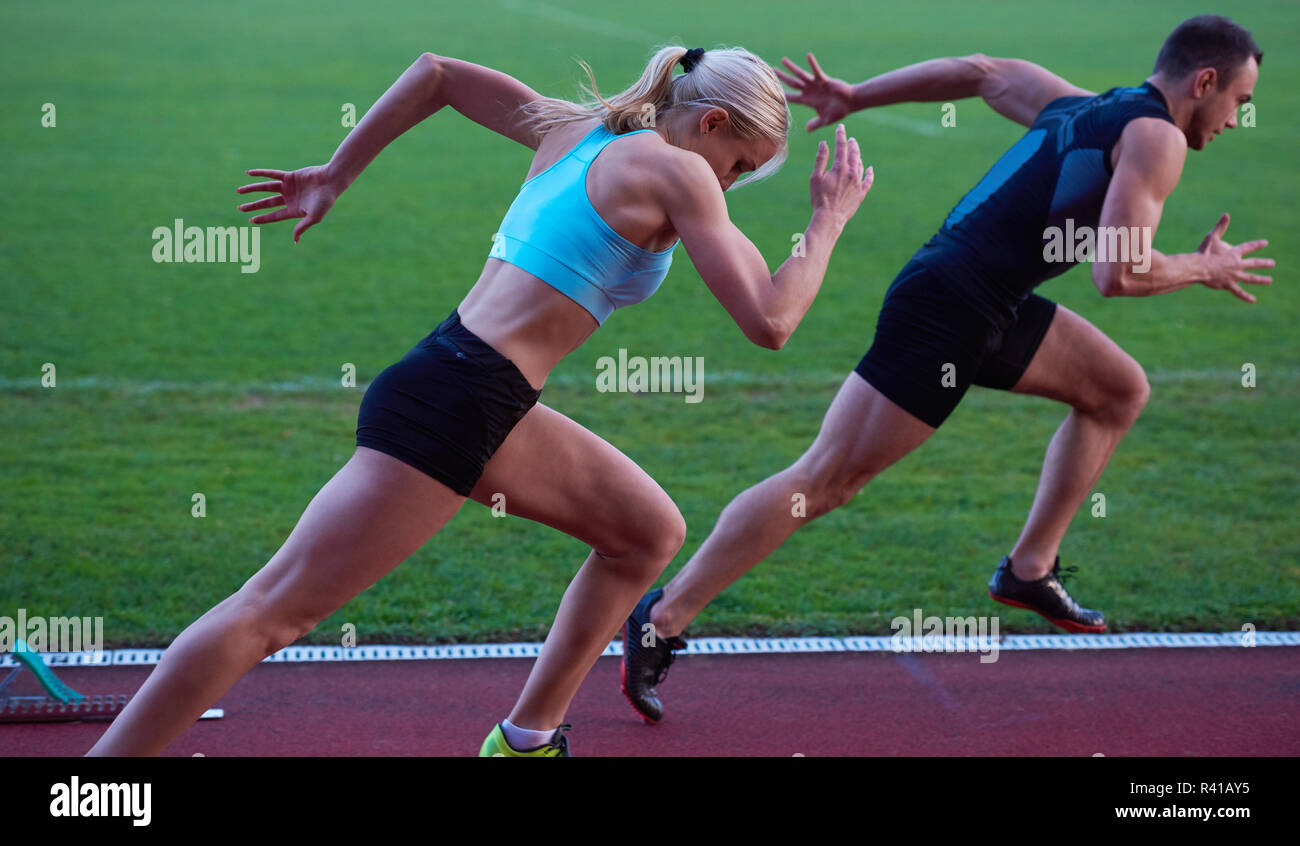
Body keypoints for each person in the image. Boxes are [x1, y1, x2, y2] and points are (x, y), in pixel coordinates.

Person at [84, 45, 872, 757]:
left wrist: (337, 172)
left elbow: (438, 74)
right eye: (738, 164)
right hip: (456, 403)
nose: (729, 182)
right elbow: (770, 320)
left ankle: (524, 742)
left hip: (472, 387)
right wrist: (828, 222)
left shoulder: (578, 130)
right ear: (711, 122)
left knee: (645, 532)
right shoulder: (681, 172)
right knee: (274, 611)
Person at [621, 15, 1272, 724]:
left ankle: (1029, 571)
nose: (1237, 118)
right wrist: (1203, 266)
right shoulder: (1158, 138)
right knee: (826, 480)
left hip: (986, 300)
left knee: (1117, 390)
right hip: (951, 310)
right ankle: (665, 616)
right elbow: (1117, 272)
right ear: (1203, 82)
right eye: (1238, 100)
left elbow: (980, 71)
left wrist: (857, 95)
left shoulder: (1086, 105)